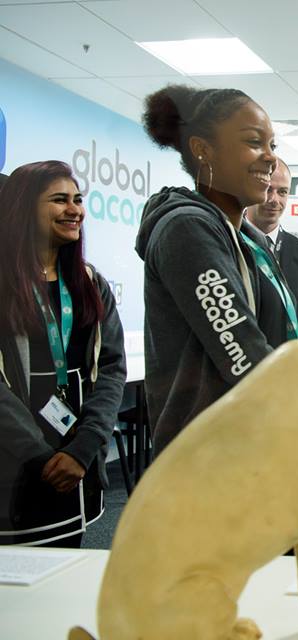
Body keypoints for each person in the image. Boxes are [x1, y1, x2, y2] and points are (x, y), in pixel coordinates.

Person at [136, 85, 280, 454]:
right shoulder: (186, 228)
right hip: (204, 457)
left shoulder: (246, 237)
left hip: (247, 442)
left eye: (272, 146)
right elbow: (240, 347)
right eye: (254, 142)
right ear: (203, 150)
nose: (270, 159)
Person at [0, 160, 126, 546]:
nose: (74, 210)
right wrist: (42, 458)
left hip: (78, 457)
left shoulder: (89, 282)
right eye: (59, 200)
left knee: (65, 571)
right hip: (17, 468)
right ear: (24, 207)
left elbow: (111, 368)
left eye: (78, 199)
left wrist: (84, 449)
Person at [245, 158, 298, 333]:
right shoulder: (229, 241)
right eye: (267, 189)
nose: (274, 199)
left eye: (282, 192)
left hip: (287, 357)